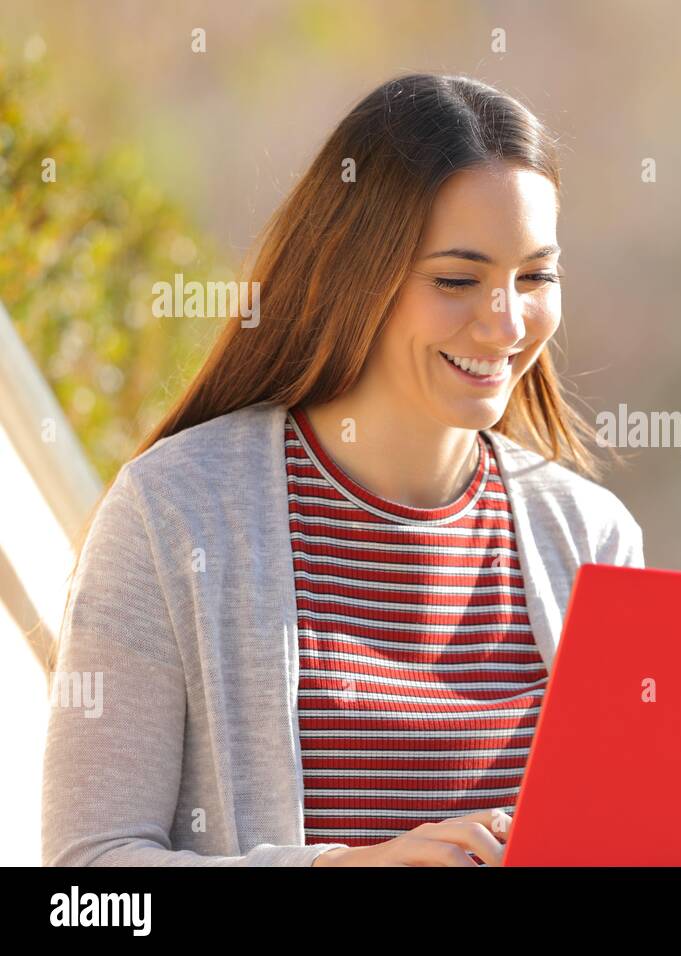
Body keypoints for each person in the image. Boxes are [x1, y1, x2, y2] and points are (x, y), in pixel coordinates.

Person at [41, 73, 644, 867]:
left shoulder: (593, 540)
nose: (505, 321)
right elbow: (86, 890)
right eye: (457, 280)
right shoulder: (173, 513)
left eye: (535, 277)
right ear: (360, 275)